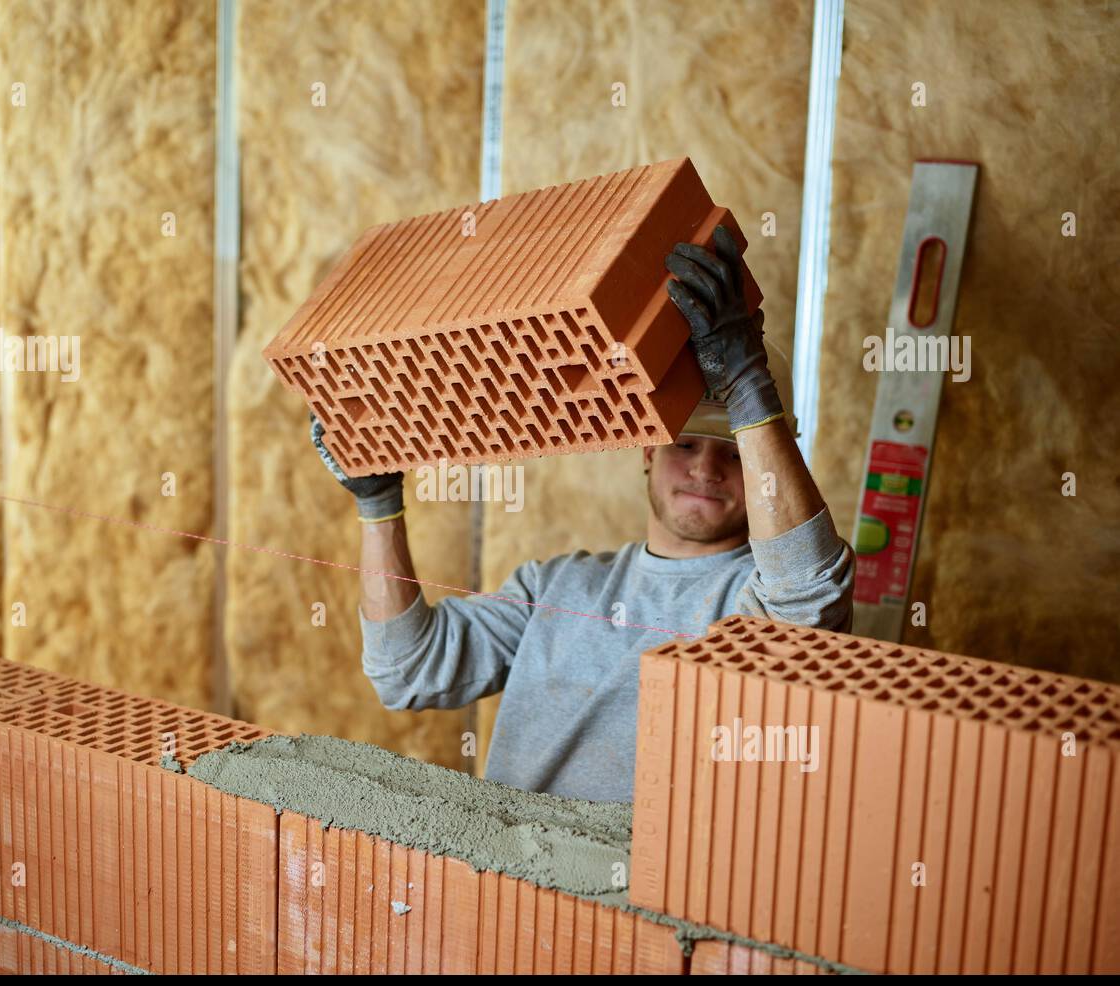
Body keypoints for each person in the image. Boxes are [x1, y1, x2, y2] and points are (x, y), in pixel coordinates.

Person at [311, 226, 854, 802]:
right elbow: (407, 670)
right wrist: (377, 506)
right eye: (686, 445)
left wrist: (747, 386)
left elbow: (806, 600)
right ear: (649, 450)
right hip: (513, 875)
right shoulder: (556, 588)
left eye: (734, 453)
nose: (706, 470)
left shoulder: (755, 606)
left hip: (650, 888)